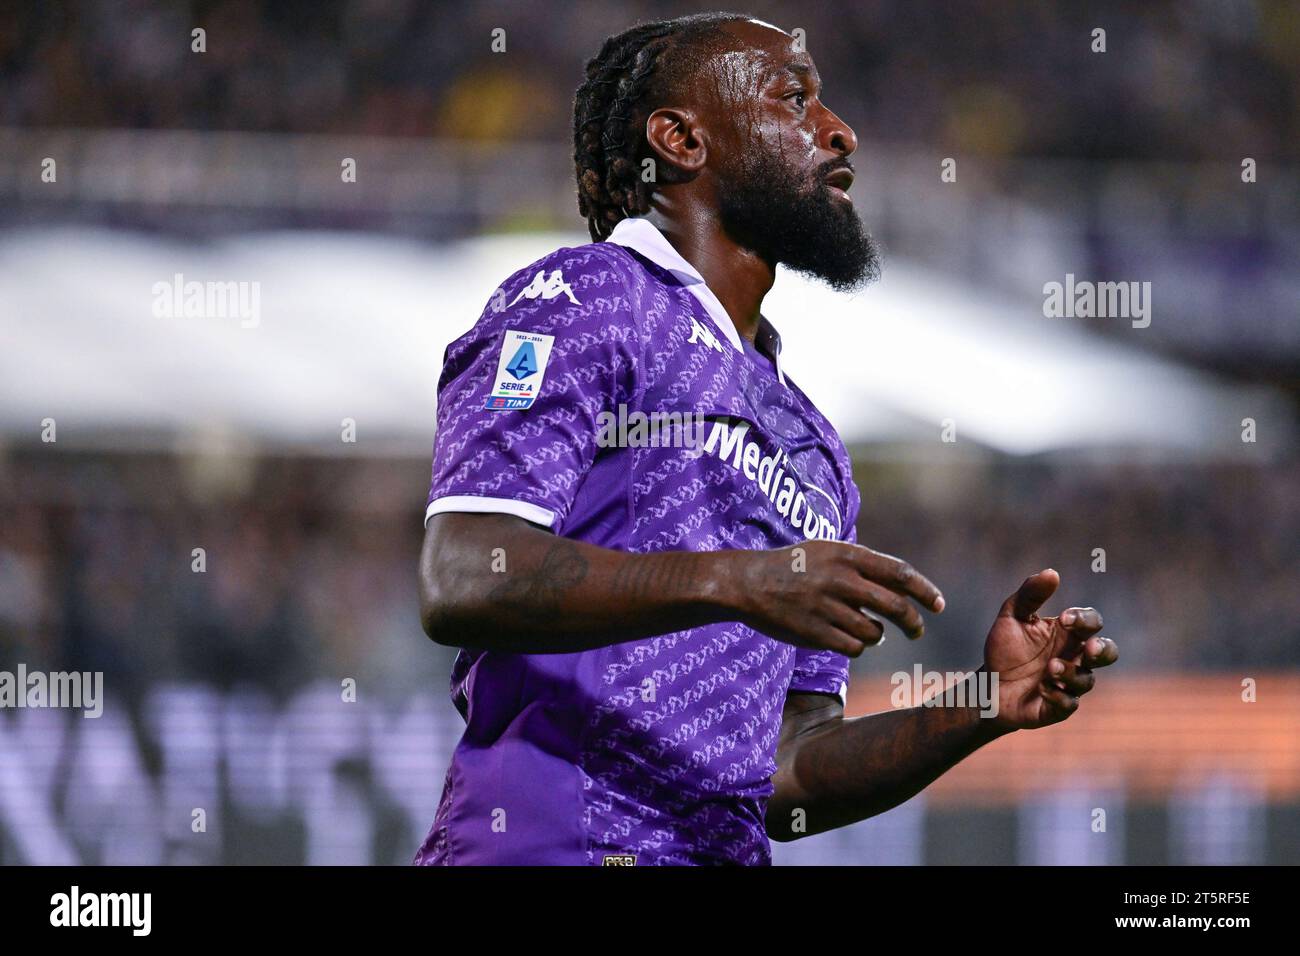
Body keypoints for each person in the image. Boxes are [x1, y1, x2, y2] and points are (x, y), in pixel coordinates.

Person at [415, 13, 1117, 865]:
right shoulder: (584, 298)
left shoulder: (811, 443)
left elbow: (787, 775)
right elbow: (462, 573)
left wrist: (980, 704)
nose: (838, 130)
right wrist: (740, 579)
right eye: (794, 98)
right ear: (678, 139)